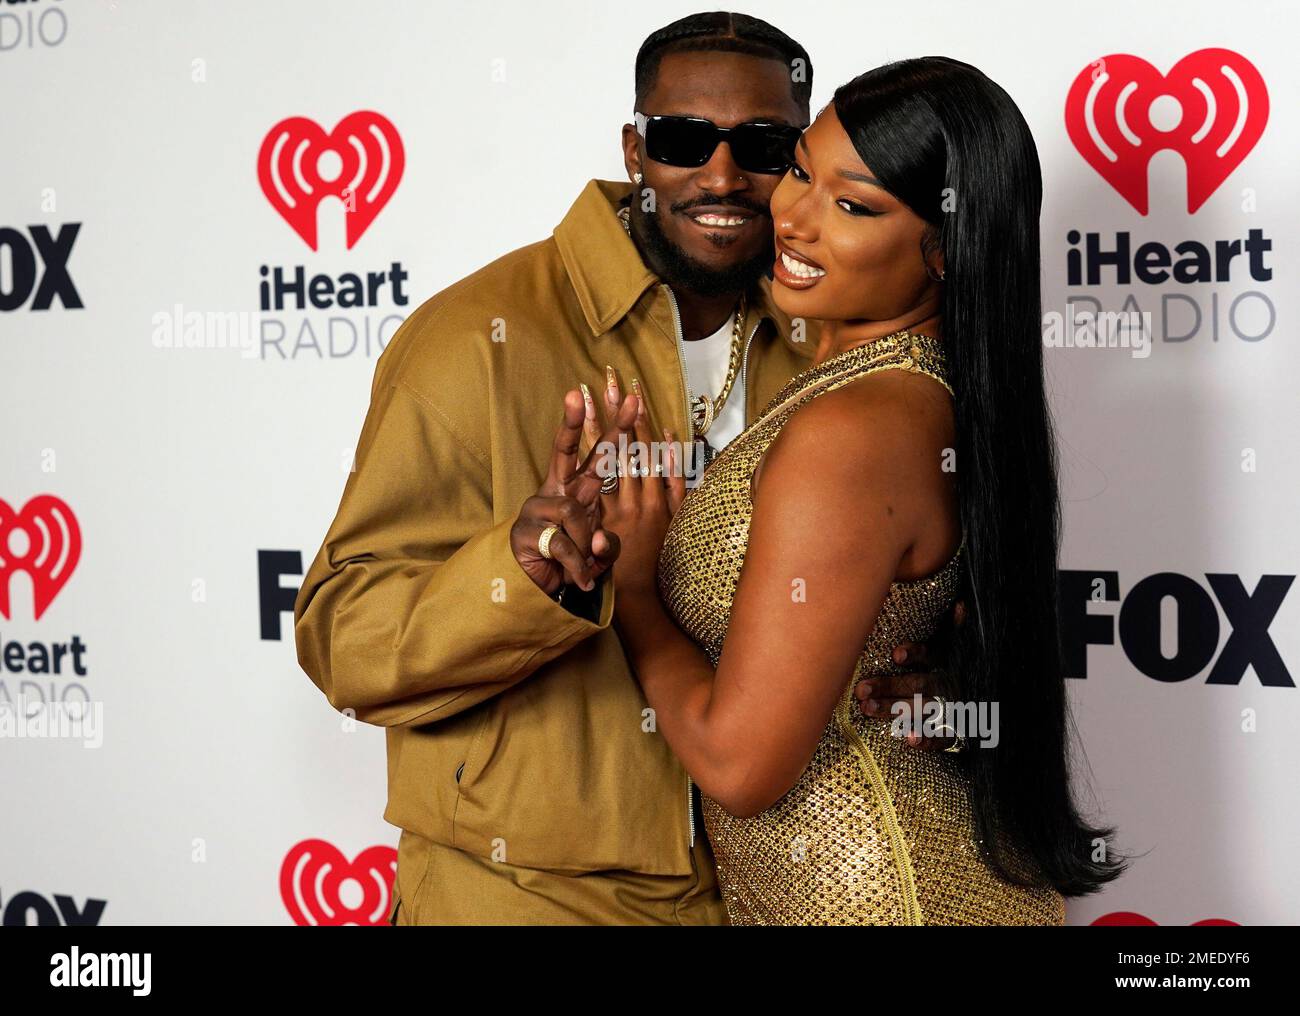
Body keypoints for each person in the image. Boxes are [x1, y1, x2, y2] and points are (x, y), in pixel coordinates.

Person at [294, 13, 957, 927]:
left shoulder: (827, 343)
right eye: (684, 140)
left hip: (755, 899)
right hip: (523, 899)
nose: (722, 177)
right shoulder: (476, 339)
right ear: (635, 150)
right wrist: (515, 576)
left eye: (764, 147)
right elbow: (341, 637)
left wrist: (951, 674)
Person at [590, 56, 1128, 924]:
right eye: (801, 169)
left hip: (878, 895)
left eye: (853, 206)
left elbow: (740, 766)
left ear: (946, 247)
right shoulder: (886, 386)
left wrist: (638, 592)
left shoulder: (859, 430)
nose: (793, 217)